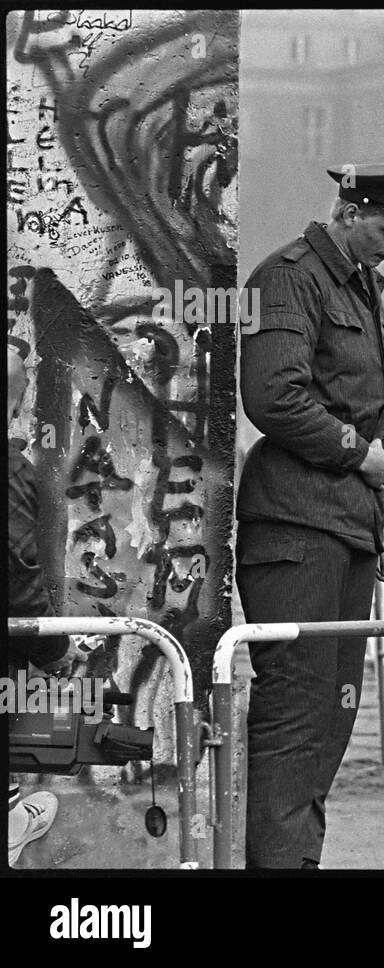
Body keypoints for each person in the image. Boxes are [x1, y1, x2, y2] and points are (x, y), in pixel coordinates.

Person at [236, 162, 384, 868]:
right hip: (294, 529)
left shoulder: (357, 287)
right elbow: (274, 398)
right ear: (349, 212)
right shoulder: (288, 278)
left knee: (333, 715)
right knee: (296, 714)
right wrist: (360, 462)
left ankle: (299, 861)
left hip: (344, 526)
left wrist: (380, 513)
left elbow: (369, 418)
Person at [7, 341, 102, 864]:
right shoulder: (12, 471)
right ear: (18, 404)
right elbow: (19, 575)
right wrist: (54, 649)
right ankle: (11, 825)